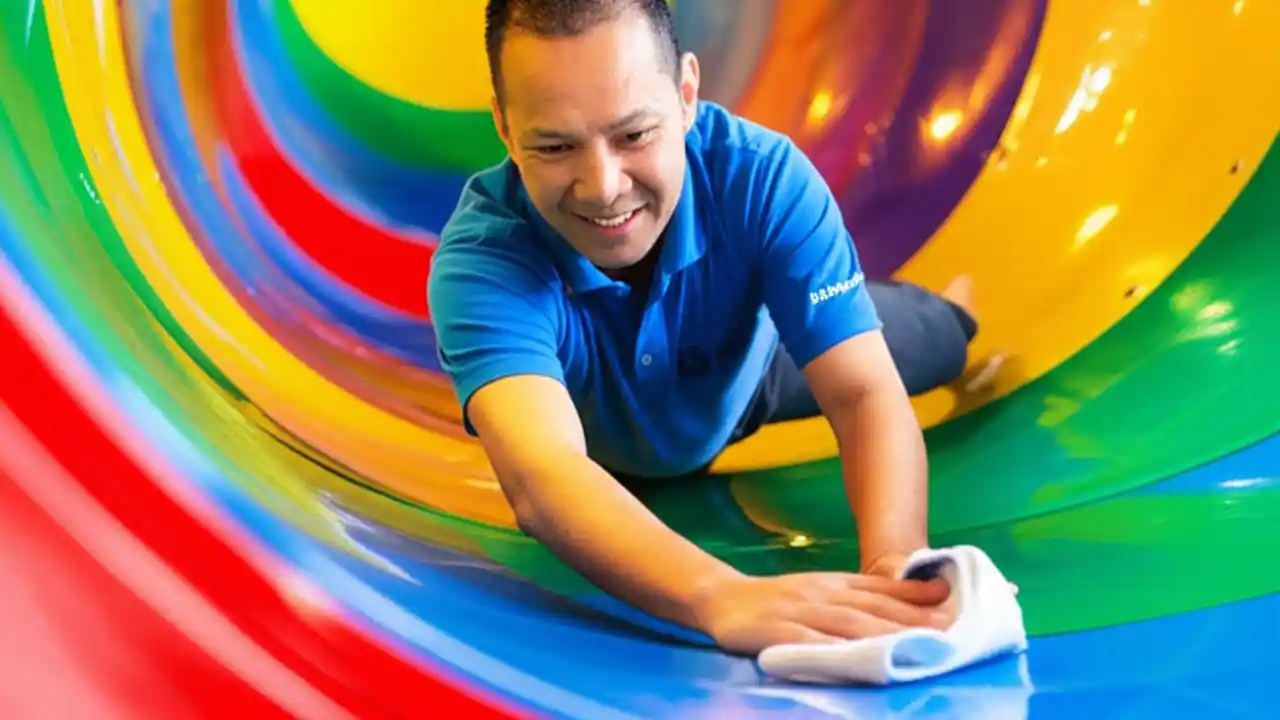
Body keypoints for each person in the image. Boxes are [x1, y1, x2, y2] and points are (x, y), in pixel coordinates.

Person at [427, 0, 982, 656]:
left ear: (687, 95)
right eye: (554, 146)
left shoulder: (761, 179)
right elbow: (542, 477)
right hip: (597, 442)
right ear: (504, 126)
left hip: (750, 372)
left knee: (937, 342)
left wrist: (894, 565)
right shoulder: (486, 259)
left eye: (634, 135)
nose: (603, 186)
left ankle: (949, 305)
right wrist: (720, 595)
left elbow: (864, 394)